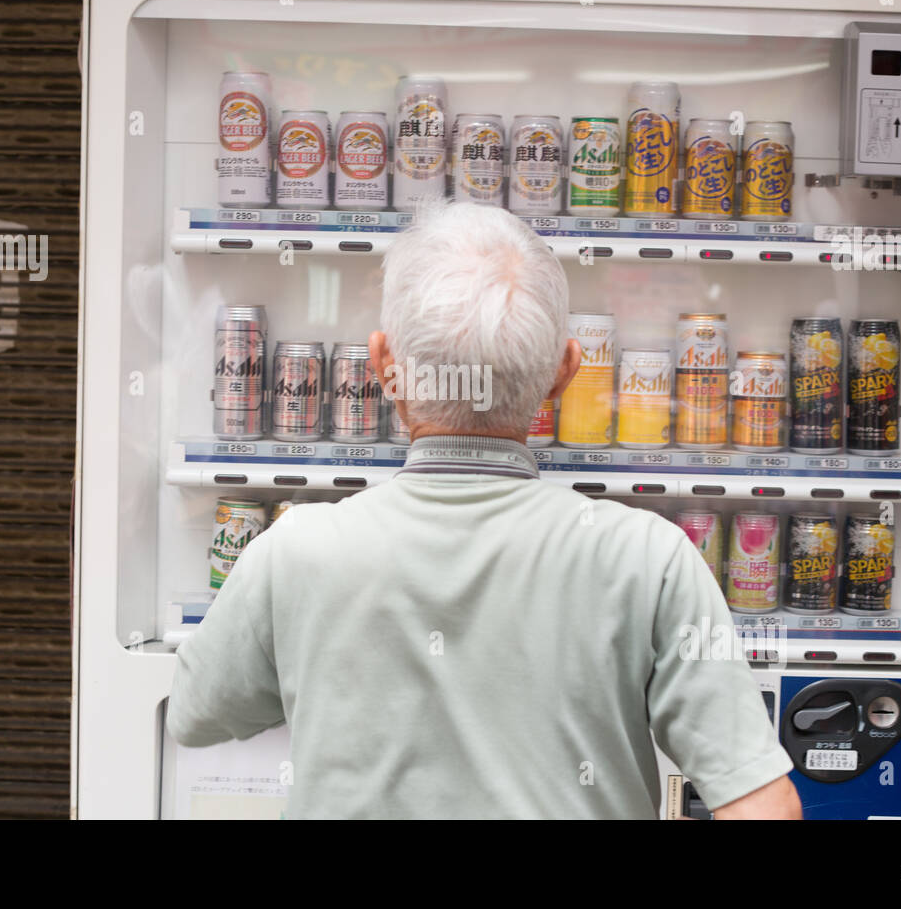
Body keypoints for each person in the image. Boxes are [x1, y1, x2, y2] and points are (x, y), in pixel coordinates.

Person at [168, 200, 800, 819]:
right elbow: (761, 802)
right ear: (564, 372)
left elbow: (194, 713)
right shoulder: (650, 557)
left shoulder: (297, 546)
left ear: (386, 366)